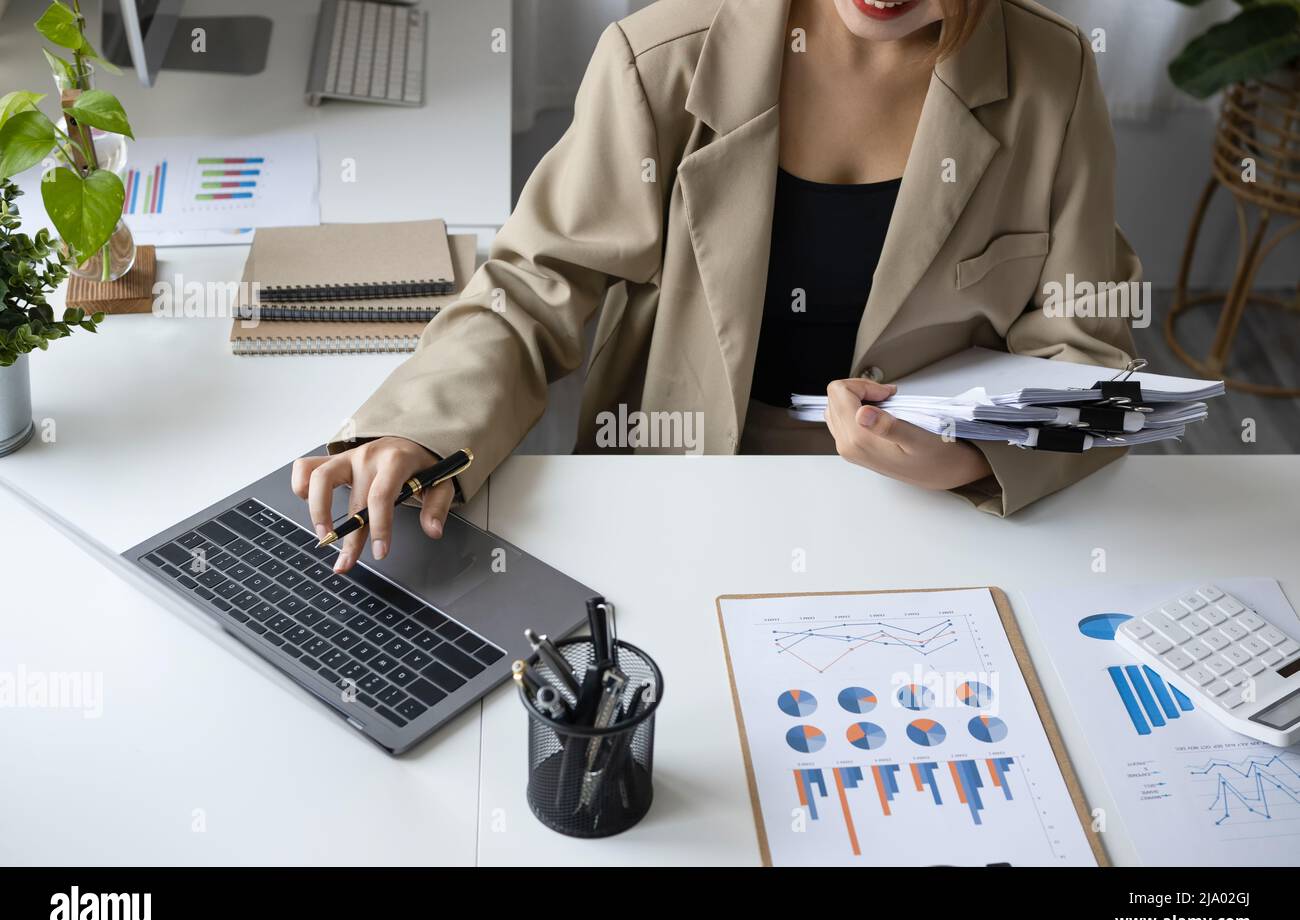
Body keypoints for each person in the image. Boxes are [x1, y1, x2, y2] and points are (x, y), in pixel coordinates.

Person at [293, 0, 1140, 574]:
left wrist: (965, 460)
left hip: (940, 520)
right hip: (681, 486)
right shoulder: (661, 57)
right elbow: (534, 283)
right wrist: (416, 430)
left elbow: (1087, 355)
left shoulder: (1051, 74)